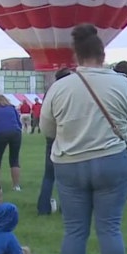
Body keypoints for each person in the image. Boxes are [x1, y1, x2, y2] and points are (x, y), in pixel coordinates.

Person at [41, 24, 127, 254]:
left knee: (74, 231)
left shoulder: (59, 88)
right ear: (103, 54)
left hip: (69, 163)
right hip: (111, 161)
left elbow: (47, 130)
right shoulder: (122, 83)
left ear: (76, 56)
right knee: (110, 228)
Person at [37, 69, 72, 216]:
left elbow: (44, 116)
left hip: (52, 135)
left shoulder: (50, 93)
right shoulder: (72, 93)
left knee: (49, 175)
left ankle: (43, 207)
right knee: (67, 176)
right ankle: (66, 208)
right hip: (68, 135)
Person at [0, 94, 23, 192]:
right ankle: (16, 186)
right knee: (14, 159)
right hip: (15, 133)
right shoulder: (12, 108)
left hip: (0, 134)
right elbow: (19, 123)